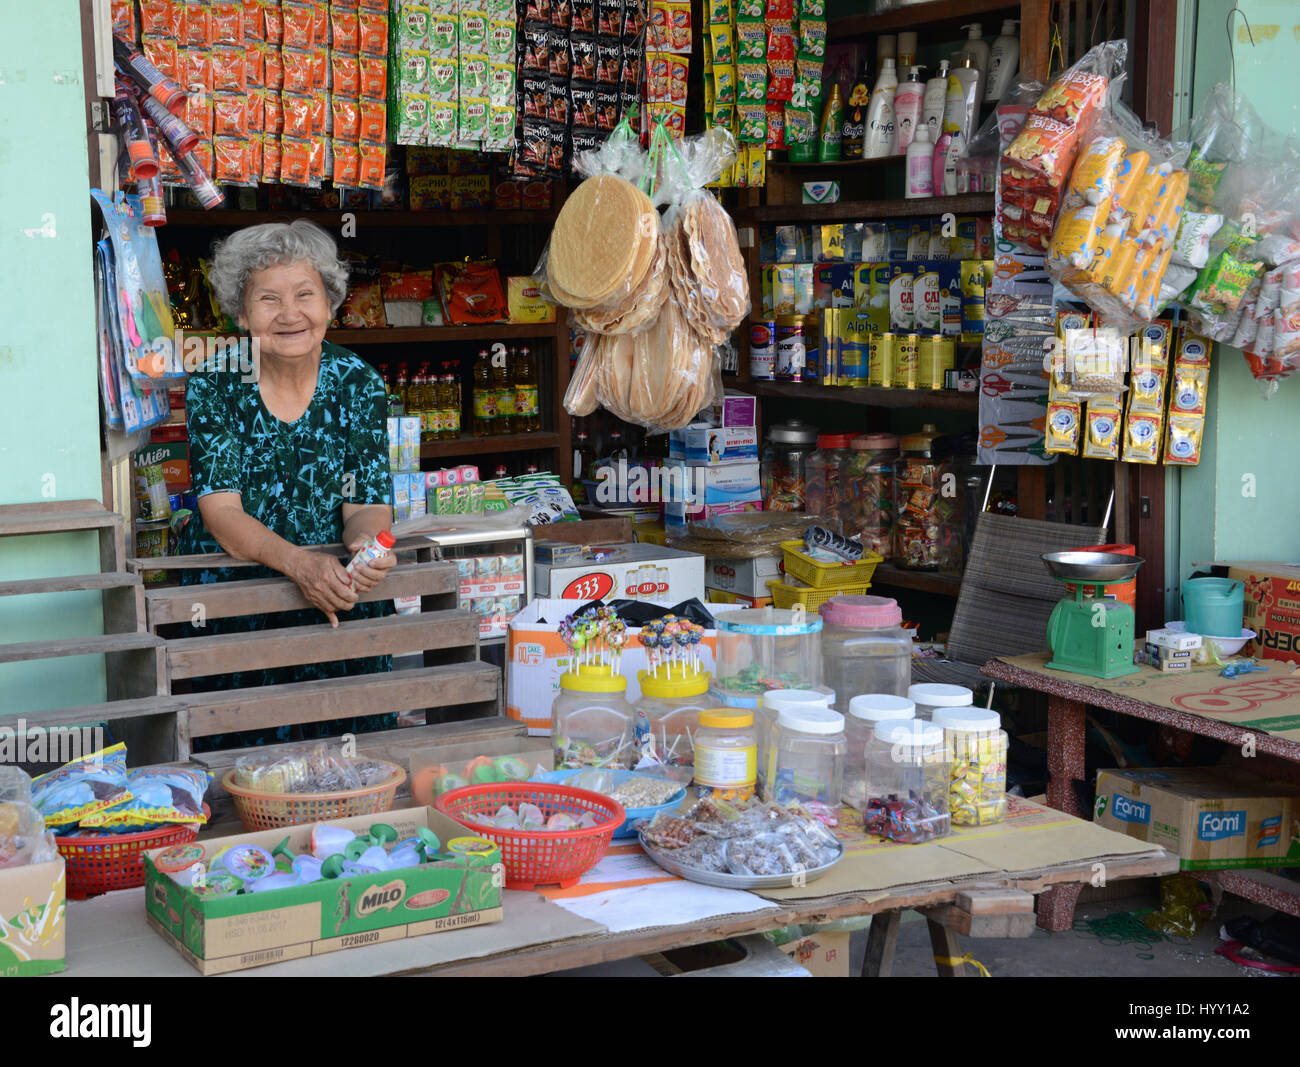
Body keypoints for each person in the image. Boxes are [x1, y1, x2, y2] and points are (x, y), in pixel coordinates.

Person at [177, 220, 396, 749]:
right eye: (268, 298)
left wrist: (365, 548)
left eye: (305, 294)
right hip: (236, 603)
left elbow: (366, 504)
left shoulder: (359, 383)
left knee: (352, 759)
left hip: (336, 601)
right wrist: (299, 564)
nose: (289, 314)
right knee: (242, 763)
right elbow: (222, 514)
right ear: (241, 311)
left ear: (330, 303)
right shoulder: (217, 383)